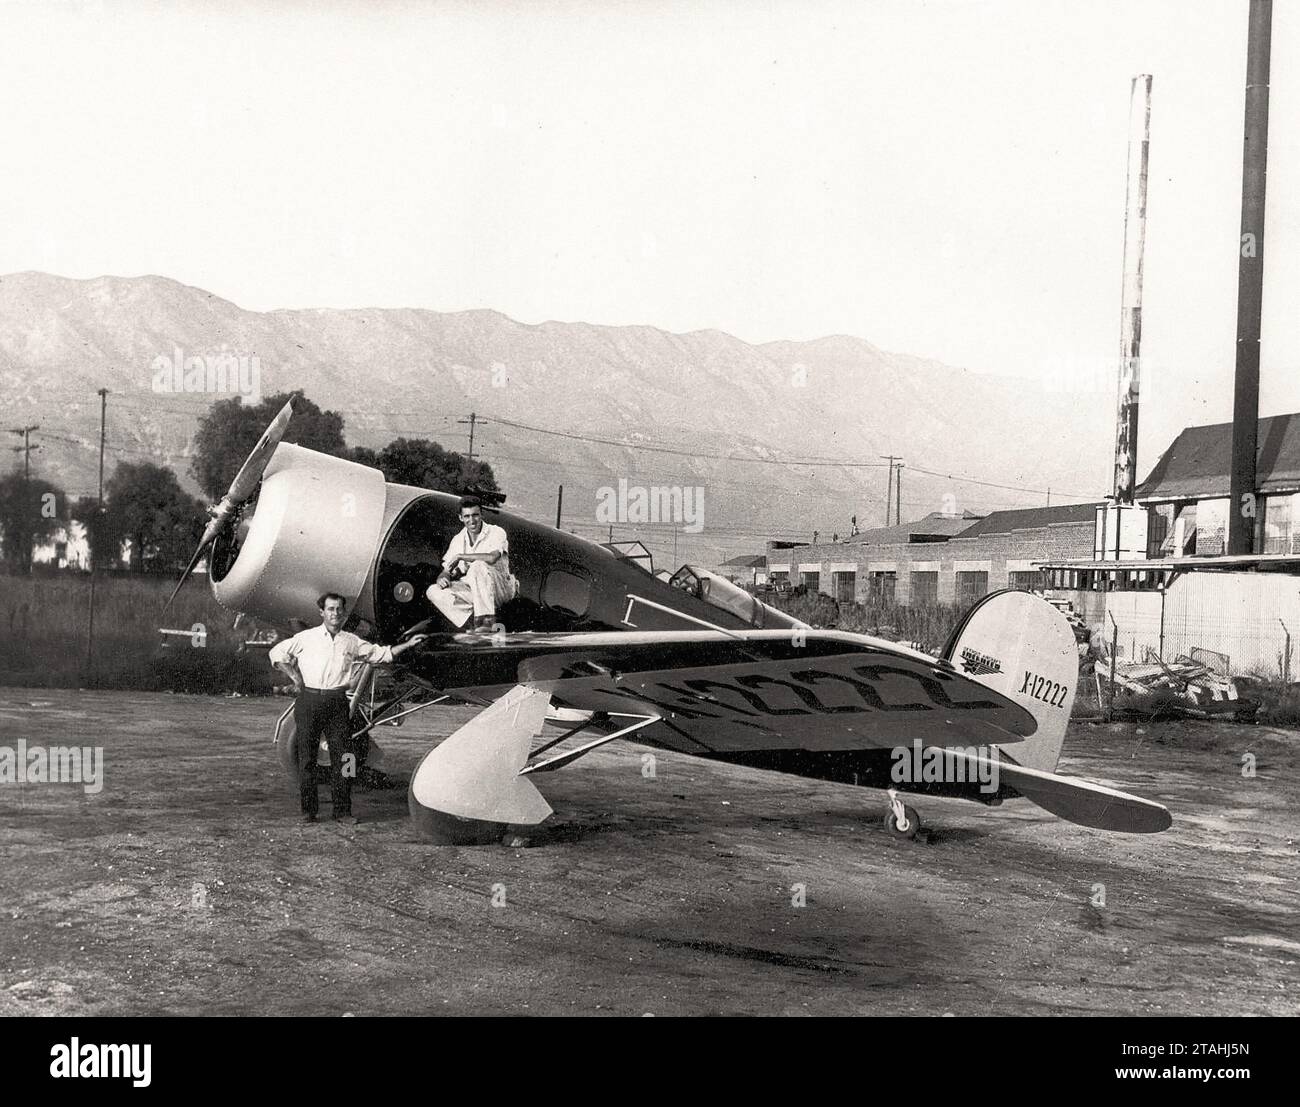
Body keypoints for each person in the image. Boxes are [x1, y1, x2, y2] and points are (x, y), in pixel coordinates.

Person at [269, 593, 426, 824]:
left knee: (345, 760)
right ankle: (308, 812)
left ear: (343, 613)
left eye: (339, 609)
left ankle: (342, 812)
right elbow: (276, 653)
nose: (335, 614)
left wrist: (408, 645)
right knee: (307, 760)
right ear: (322, 613)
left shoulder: (351, 641)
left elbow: (381, 654)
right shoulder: (306, 638)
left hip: (337, 703)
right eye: (331, 609)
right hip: (309, 701)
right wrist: (295, 677)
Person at [425, 497, 517, 631]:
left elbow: (492, 558)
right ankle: (472, 626)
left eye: (475, 515)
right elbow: (447, 570)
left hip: (500, 589)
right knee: (433, 591)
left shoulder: (496, 532)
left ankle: (486, 625)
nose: (472, 520)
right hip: (477, 591)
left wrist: (462, 556)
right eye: (467, 516)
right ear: (460, 518)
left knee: (478, 566)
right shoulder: (458, 539)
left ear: (482, 515)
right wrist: (442, 578)